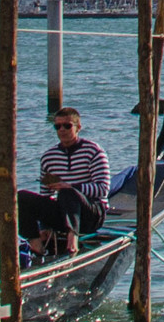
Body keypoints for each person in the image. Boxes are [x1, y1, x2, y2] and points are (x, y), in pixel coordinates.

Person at [16, 107, 110, 257]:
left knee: (67, 192)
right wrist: (45, 225)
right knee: (21, 197)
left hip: (91, 214)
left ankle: (73, 237)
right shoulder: (49, 157)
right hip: (64, 212)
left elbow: (102, 189)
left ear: (78, 127)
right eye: (57, 126)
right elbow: (46, 194)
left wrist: (71, 187)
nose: (62, 130)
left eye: (67, 126)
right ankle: (35, 242)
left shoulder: (94, 152)